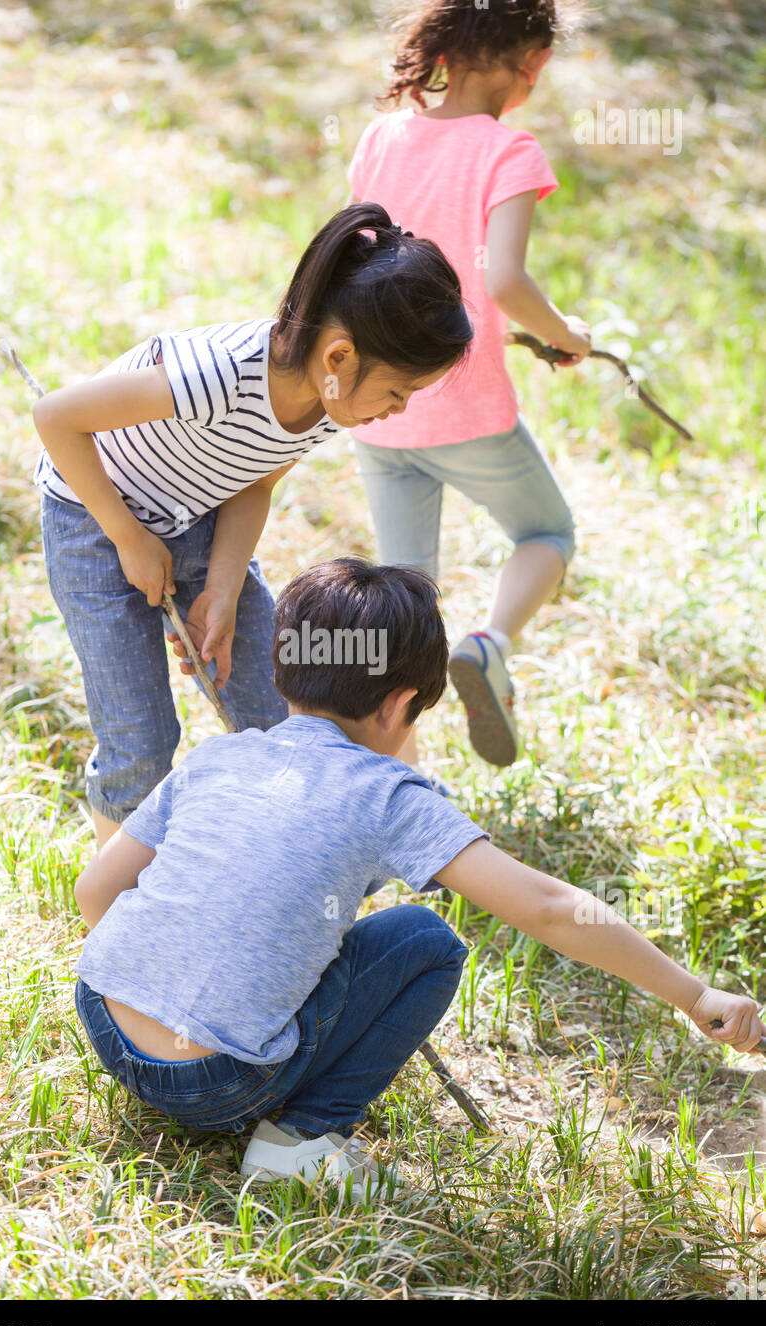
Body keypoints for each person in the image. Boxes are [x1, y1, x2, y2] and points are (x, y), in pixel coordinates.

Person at [72, 558, 765, 1200]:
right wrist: (692, 993)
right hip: (215, 1082)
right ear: (399, 706)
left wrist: (174, 971)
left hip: (104, 1022)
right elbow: (552, 909)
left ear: (287, 669)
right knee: (423, 942)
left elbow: (94, 894)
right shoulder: (388, 793)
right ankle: (299, 1141)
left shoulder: (217, 757)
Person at [31, 203, 473, 845]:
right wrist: (129, 537)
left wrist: (224, 588)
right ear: (341, 356)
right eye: (397, 393)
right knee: (142, 740)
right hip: (93, 521)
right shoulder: (220, 376)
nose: (397, 411)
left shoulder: (328, 403)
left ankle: (283, 854)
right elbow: (56, 417)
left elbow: (254, 482)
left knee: (281, 707)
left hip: (196, 516)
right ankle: (115, 917)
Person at [347, 0, 589, 770]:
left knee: (407, 599)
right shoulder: (508, 152)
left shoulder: (382, 136)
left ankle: (394, 778)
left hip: (378, 406)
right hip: (468, 412)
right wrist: (565, 335)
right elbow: (505, 277)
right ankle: (489, 645)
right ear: (533, 64)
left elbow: (361, 257)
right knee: (547, 534)